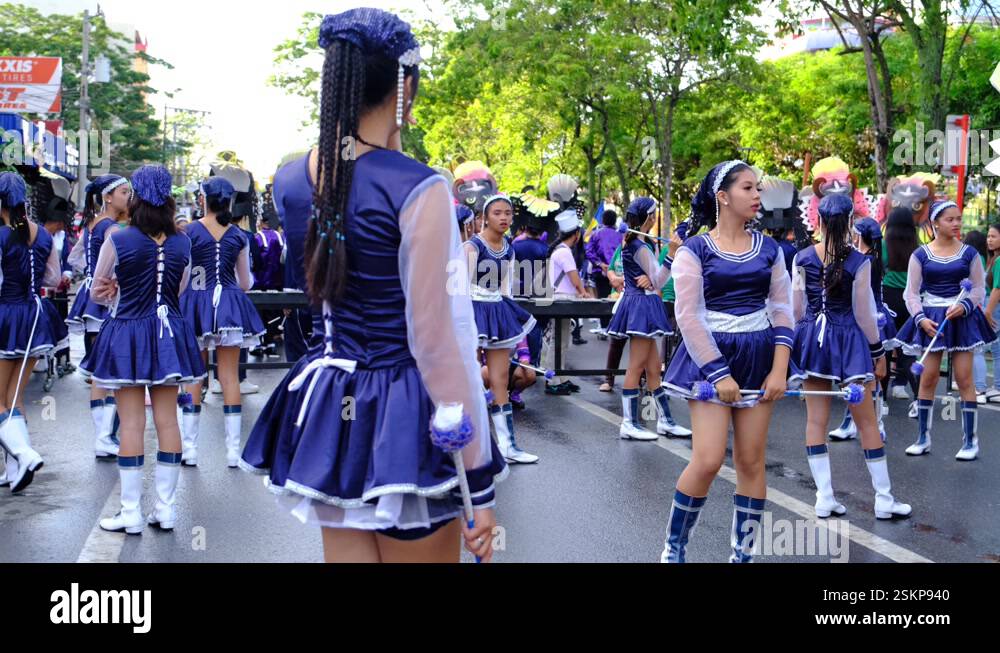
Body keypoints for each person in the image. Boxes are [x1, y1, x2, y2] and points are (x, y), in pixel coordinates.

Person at [240, 8, 505, 563]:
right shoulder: (419, 185)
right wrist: (478, 482)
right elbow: (433, 343)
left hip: (330, 399)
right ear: (404, 87)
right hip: (405, 409)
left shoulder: (292, 180)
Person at [660, 161, 793, 563]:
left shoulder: (771, 249)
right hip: (708, 358)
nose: (757, 196)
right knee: (708, 459)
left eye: (758, 189)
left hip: (760, 354)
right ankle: (674, 547)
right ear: (723, 196)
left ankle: (742, 555)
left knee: (752, 461)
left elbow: (784, 309)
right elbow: (688, 315)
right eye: (749, 188)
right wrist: (718, 373)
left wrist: (779, 369)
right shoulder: (695, 250)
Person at [79, 165, 206, 533]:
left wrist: (117, 289)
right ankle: (165, 509)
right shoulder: (183, 241)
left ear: (135, 196)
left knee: (132, 423)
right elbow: (179, 290)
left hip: (127, 334)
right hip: (169, 334)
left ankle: (130, 512)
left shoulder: (118, 237)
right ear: (168, 197)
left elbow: (96, 290)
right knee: (168, 420)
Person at [789, 195, 911, 520]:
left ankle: (824, 497)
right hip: (850, 342)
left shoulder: (801, 258)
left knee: (815, 421)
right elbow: (864, 315)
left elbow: (797, 309)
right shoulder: (860, 261)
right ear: (850, 222)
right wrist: (878, 352)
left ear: (820, 220)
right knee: (867, 421)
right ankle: (884, 500)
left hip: (812, 340)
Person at [893, 200, 996, 461]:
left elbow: (977, 289)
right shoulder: (920, 255)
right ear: (935, 223)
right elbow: (911, 293)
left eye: (959, 218)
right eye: (951, 219)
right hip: (931, 321)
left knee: (964, 379)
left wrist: (964, 305)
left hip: (961, 319)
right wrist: (920, 319)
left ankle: (970, 442)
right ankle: (922, 438)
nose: (957, 223)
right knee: (927, 380)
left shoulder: (970, 253)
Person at [180, 177, 265, 468]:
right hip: (229, 304)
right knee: (229, 376)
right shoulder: (240, 236)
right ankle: (232, 451)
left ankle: (189, 449)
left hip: (196, 302)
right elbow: (245, 282)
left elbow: (184, 275)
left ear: (203, 199)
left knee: (194, 375)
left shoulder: (189, 231)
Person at [0, 172, 64, 493]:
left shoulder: (1, 235)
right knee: (13, 399)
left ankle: (24, 454)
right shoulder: (42, 236)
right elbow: (52, 279)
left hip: (5, 317)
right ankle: (14, 469)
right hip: (35, 318)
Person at [607, 197, 690, 439]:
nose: (655, 219)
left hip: (645, 304)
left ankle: (665, 421)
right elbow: (660, 280)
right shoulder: (638, 246)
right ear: (649, 217)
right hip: (641, 307)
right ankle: (629, 424)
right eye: (654, 215)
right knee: (636, 366)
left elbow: (652, 279)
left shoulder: (643, 243)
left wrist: (652, 278)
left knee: (654, 367)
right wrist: (672, 255)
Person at [466, 194, 539, 464]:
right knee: (470, 380)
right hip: (472, 311)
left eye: (507, 213)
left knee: (500, 380)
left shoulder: (509, 247)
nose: (504, 218)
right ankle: (469, 448)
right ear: (486, 216)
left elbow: (505, 289)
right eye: (497, 213)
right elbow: (458, 290)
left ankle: (508, 446)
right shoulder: (472, 247)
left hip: (498, 311)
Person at [67, 174, 131, 460]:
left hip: (90, 299)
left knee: (98, 372)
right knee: (112, 370)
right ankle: (106, 437)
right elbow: (119, 265)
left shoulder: (92, 224)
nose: (128, 196)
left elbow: (74, 258)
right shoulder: (113, 228)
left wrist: (90, 275)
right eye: (123, 192)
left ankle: (102, 437)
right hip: (107, 301)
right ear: (108, 197)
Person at [541, 210, 588, 397]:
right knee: (558, 342)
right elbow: (574, 277)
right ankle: (552, 380)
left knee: (562, 342)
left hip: (561, 299)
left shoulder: (560, 250)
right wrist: (583, 292)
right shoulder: (564, 252)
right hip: (562, 299)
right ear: (576, 235)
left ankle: (559, 378)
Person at [882, 207, 920, 412]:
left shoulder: (883, 244)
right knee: (908, 350)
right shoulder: (918, 247)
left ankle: (882, 400)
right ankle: (914, 395)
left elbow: (878, 269)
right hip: (911, 300)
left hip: (888, 298)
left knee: (886, 348)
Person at [586, 207, 622, 336]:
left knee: (602, 297)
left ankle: (603, 327)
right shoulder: (620, 235)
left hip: (600, 271)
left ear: (603, 220)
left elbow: (588, 251)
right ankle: (614, 326)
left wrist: (600, 264)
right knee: (616, 297)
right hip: (617, 273)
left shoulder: (596, 234)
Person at [978, 223, 1000, 402]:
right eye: (988, 236)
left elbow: (997, 289)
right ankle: (998, 388)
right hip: (996, 309)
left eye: (994, 236)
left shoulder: (999, 261)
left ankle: (979, 388)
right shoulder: (994, 259)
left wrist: (988, 312)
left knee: (979, 348)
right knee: (997, 350)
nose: (989, 240)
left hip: (994, 309)